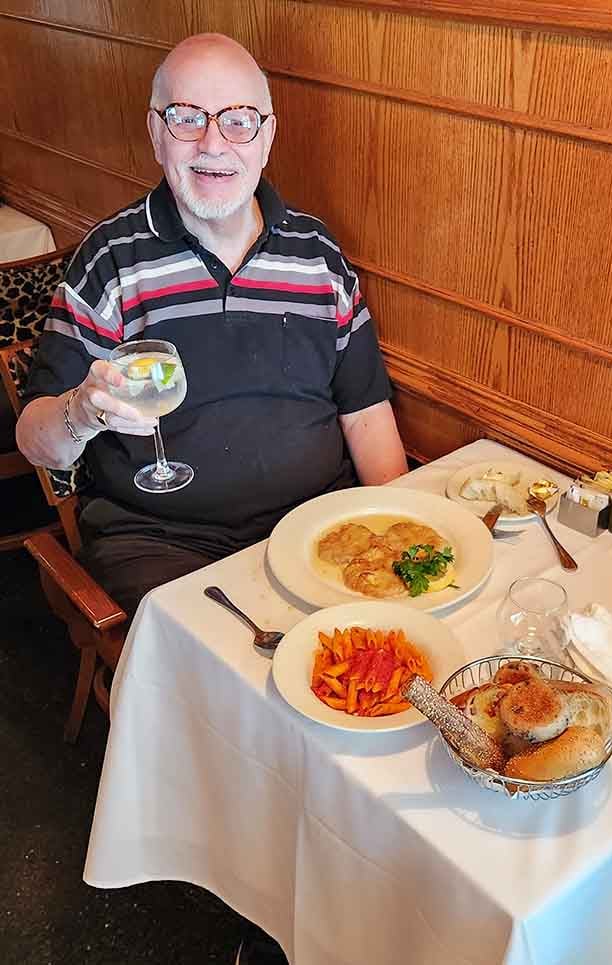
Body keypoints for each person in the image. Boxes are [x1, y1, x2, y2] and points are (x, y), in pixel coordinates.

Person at [16, 33, 406, 962]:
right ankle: (266, 909)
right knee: (266, 687)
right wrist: (80, 411)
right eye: (188, 118)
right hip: (164, 540)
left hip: (314, 533)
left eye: (237, 120)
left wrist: (403, 537)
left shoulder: (317, 255)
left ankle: (372, 896)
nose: (213, 143)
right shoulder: (110, 261)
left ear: (269, 133)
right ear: (156, 130)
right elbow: (33, 432)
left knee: (385, 672)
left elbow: (368, 415)